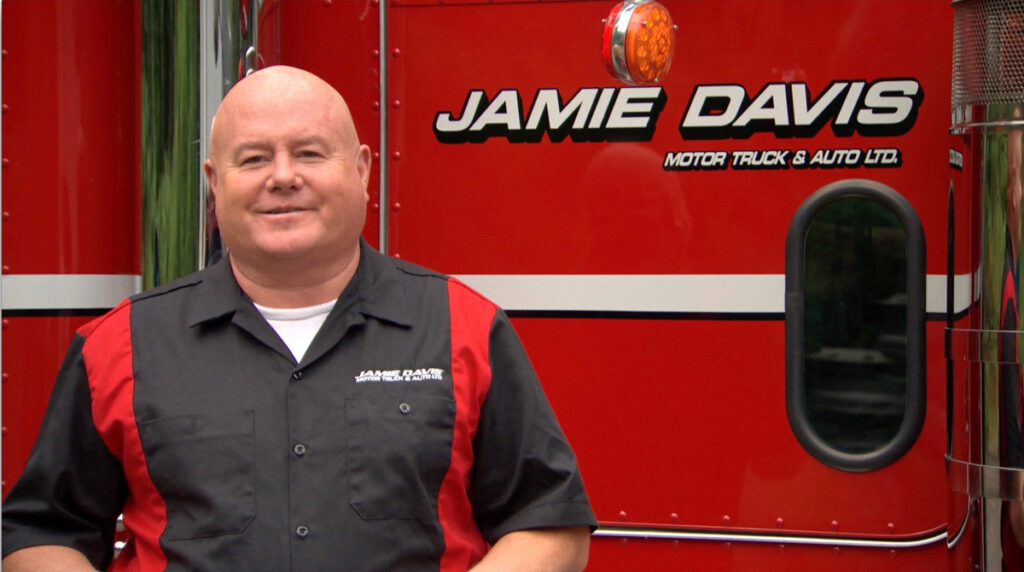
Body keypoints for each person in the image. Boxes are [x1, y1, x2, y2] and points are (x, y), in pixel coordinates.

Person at [2, 66, 596, 571]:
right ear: (214, 184)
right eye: (253, 158)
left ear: (362, 170)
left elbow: (549, 522)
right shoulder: (120, 346)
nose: (283, 176)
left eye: (309, 153)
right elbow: (40, 535)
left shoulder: (463, 329)